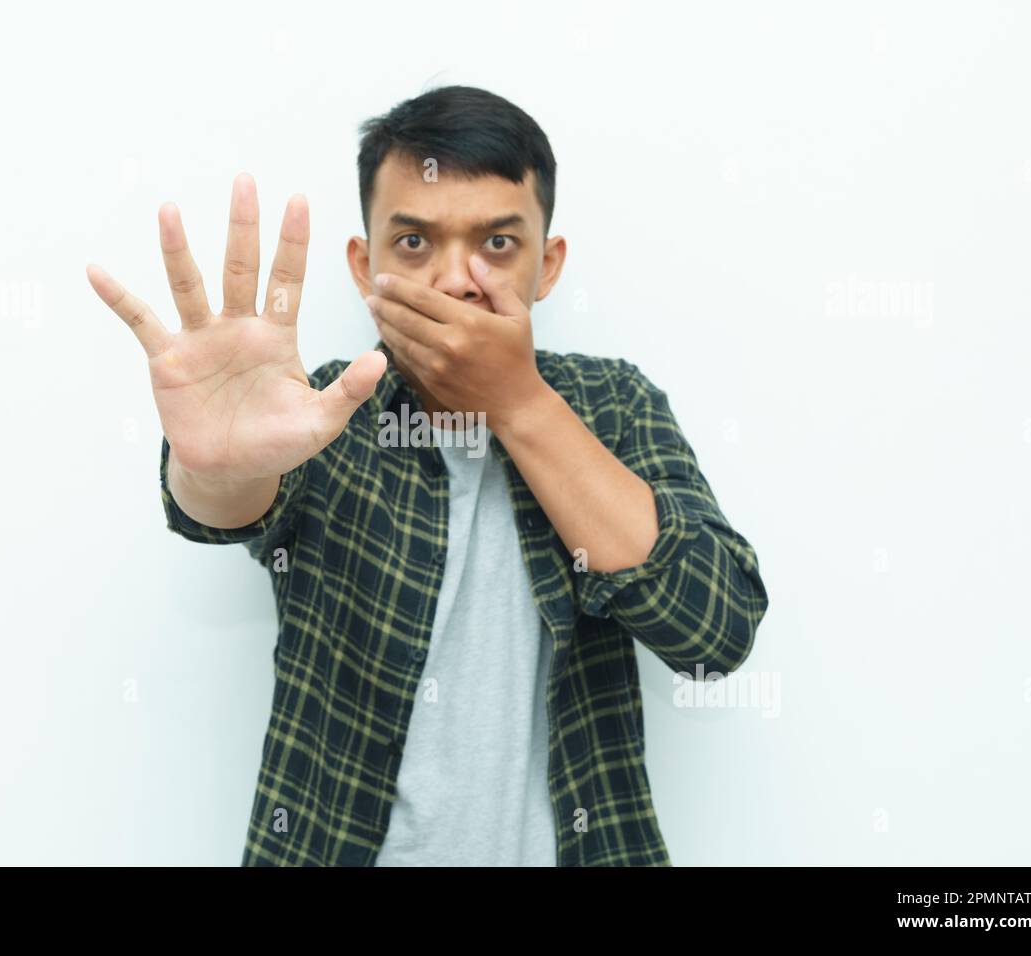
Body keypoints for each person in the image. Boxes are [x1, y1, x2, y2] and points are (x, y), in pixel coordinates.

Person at [86, 85, 768, 866]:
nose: (456, 280)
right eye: (414, 244)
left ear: (548, 266)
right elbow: (228, 501)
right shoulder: (326, 414)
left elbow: (716, 633)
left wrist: (517, 401)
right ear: (363, 264)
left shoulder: (614, 405)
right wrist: (210, 466)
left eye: (499, 245)